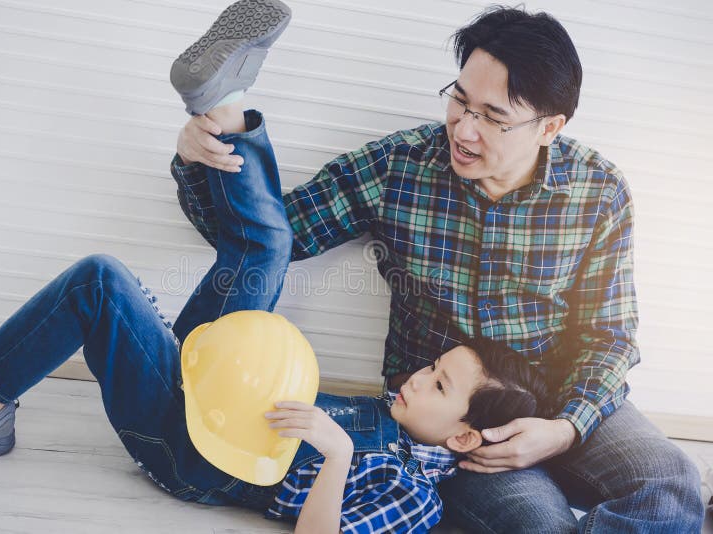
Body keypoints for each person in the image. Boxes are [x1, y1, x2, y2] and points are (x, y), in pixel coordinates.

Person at [0, 1, 547, 532]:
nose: (418, 376)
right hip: (211, 383)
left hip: (192, 452)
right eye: (433, 368)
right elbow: (288, 224)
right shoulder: (406, 163)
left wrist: (337, 452)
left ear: (463, 438)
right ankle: (229, 106)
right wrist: (200, 157)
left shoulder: (414, 495)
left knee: (100, 280)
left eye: (438, 386)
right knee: (266, 248)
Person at [172, 1, 706, 532]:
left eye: (493, 117)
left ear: (550, 127)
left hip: (565, 394)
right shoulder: (399, 166)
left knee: (673, 485)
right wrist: (203, 158)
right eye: (459, 100)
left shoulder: (598, 191)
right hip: (453, 422)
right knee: (542, 528)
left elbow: (609, 335)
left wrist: (566, 428)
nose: (464, 129)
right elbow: (268, 238)